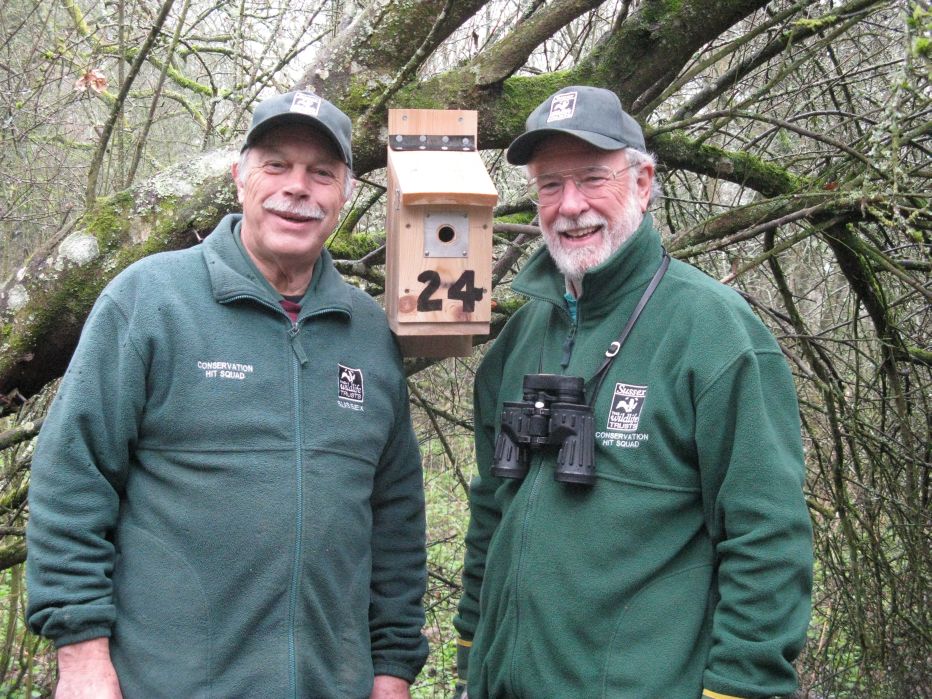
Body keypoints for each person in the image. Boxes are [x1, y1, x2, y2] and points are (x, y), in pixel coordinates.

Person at [26, 90, 428, 699]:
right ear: (239, 176)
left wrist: (392, 668)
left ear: (345, 194)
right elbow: (72, 477)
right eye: (276, 165)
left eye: (321, 173)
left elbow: (396, 518)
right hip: (165, 682)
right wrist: (81, 655)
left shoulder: (369, 332)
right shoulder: (151, 300)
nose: (297, 188)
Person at [452, 86, 813, 698]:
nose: (570, 206)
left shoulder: (715, 333)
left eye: (594, 178)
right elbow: (492, 509)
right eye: (550, 185)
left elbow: (768, 537)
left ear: (643, 183)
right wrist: (470, 657)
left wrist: (738, 688)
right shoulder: (518, 339)